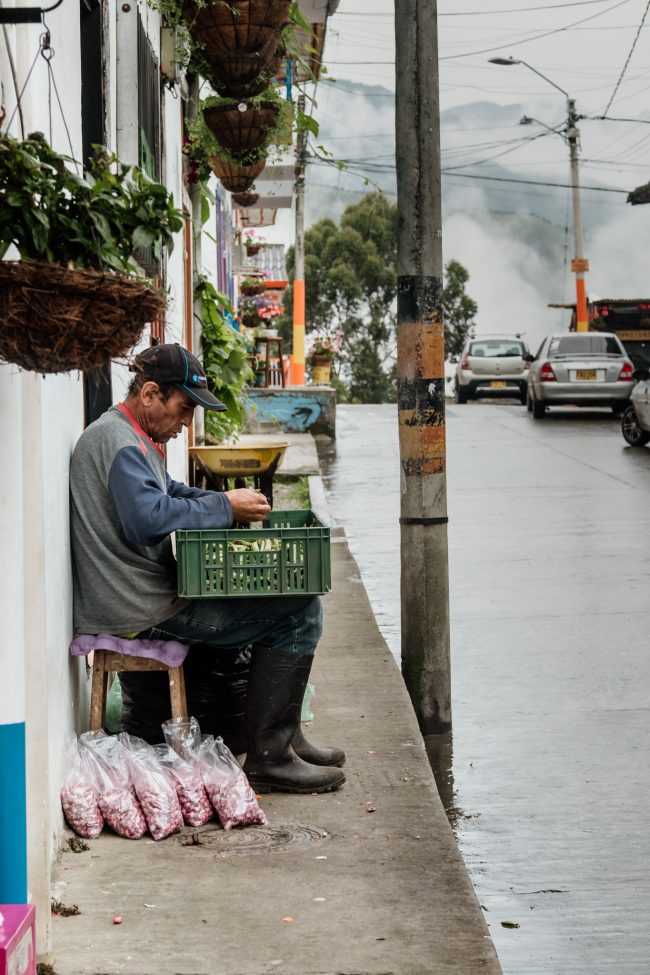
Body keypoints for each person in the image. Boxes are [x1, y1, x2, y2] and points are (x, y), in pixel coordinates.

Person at [69, 342, 345, 794]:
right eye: (183, 410)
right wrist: (223, 504)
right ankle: (270, 758)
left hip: (144, 599)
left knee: (288, 601)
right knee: (300, 610)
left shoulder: (133, 438)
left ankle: (286, 738)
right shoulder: (117, 442)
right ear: (151, 394)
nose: (186, 423)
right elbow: (147, 520)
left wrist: (230, 505)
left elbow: (170, 491)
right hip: (141, 612)